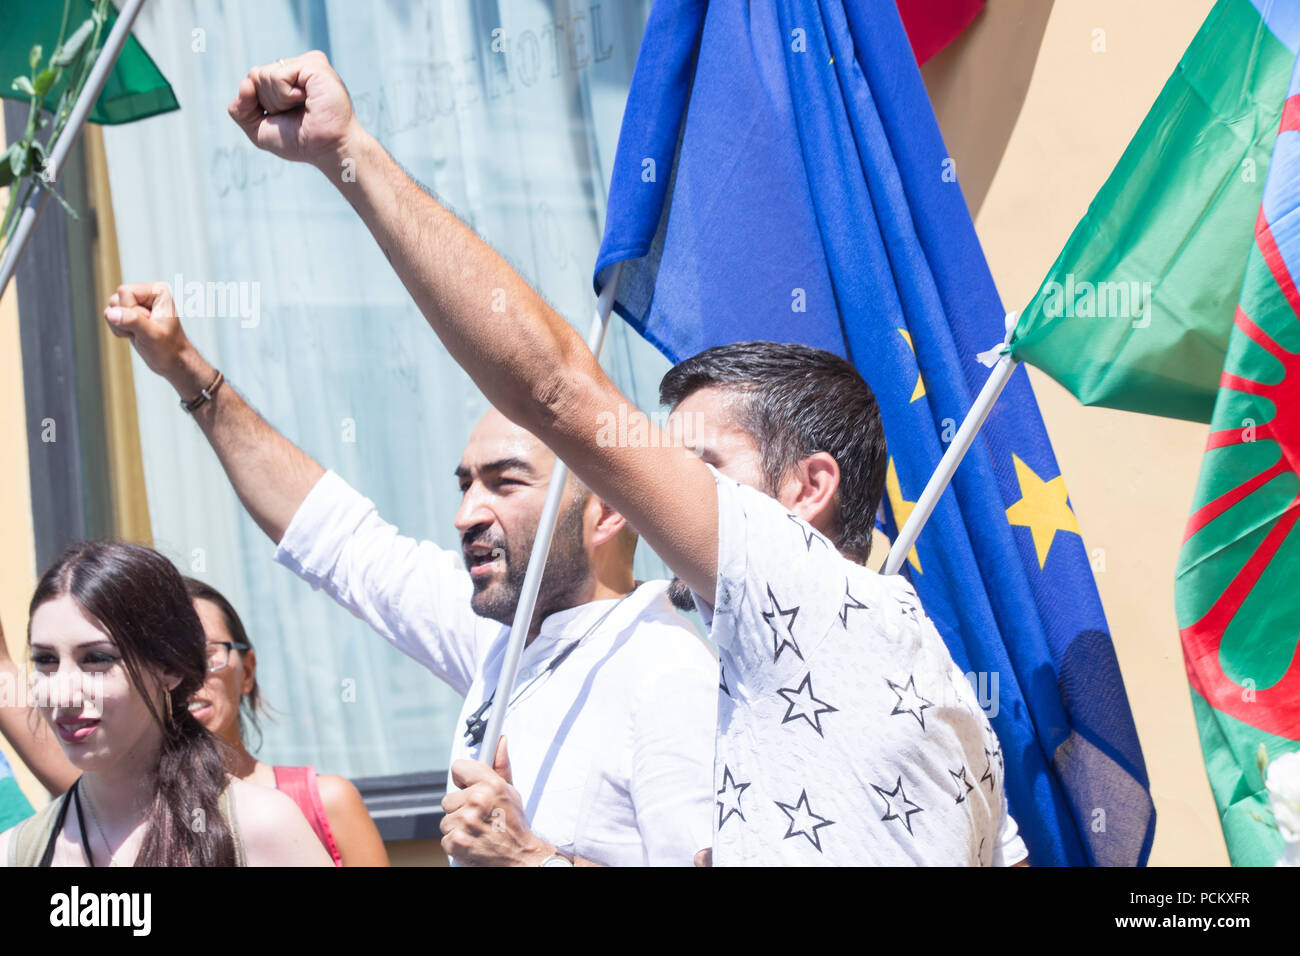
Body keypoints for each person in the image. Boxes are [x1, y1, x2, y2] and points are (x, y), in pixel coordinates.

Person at [199, 51, 1032, 865]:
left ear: (810, 488)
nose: (654, 493)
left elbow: (555, 386)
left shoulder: (798, 601)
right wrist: (193, 376)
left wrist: (352, 155)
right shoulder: (924, 678)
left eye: (701, 468)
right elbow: (349, 549)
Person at [104, 318, 717, 865]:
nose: (466, 515)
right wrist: (189, 373)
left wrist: (531, 859)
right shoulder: (500, 638)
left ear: (606, 512)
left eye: (505, 484)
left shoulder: (668, 672)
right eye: (465, 485)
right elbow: (336, 538)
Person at [0, 540, 332, 866]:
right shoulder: (17, 853)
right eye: (45, 660)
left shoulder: (261, 827)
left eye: (96, 659)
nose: (61, 694)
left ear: (170, 668)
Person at [184, 578, 389, 866]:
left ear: (247, 672)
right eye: (167, 661)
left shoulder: (326, 802)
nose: (188, 677)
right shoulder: (121, 824)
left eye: (207, 655)